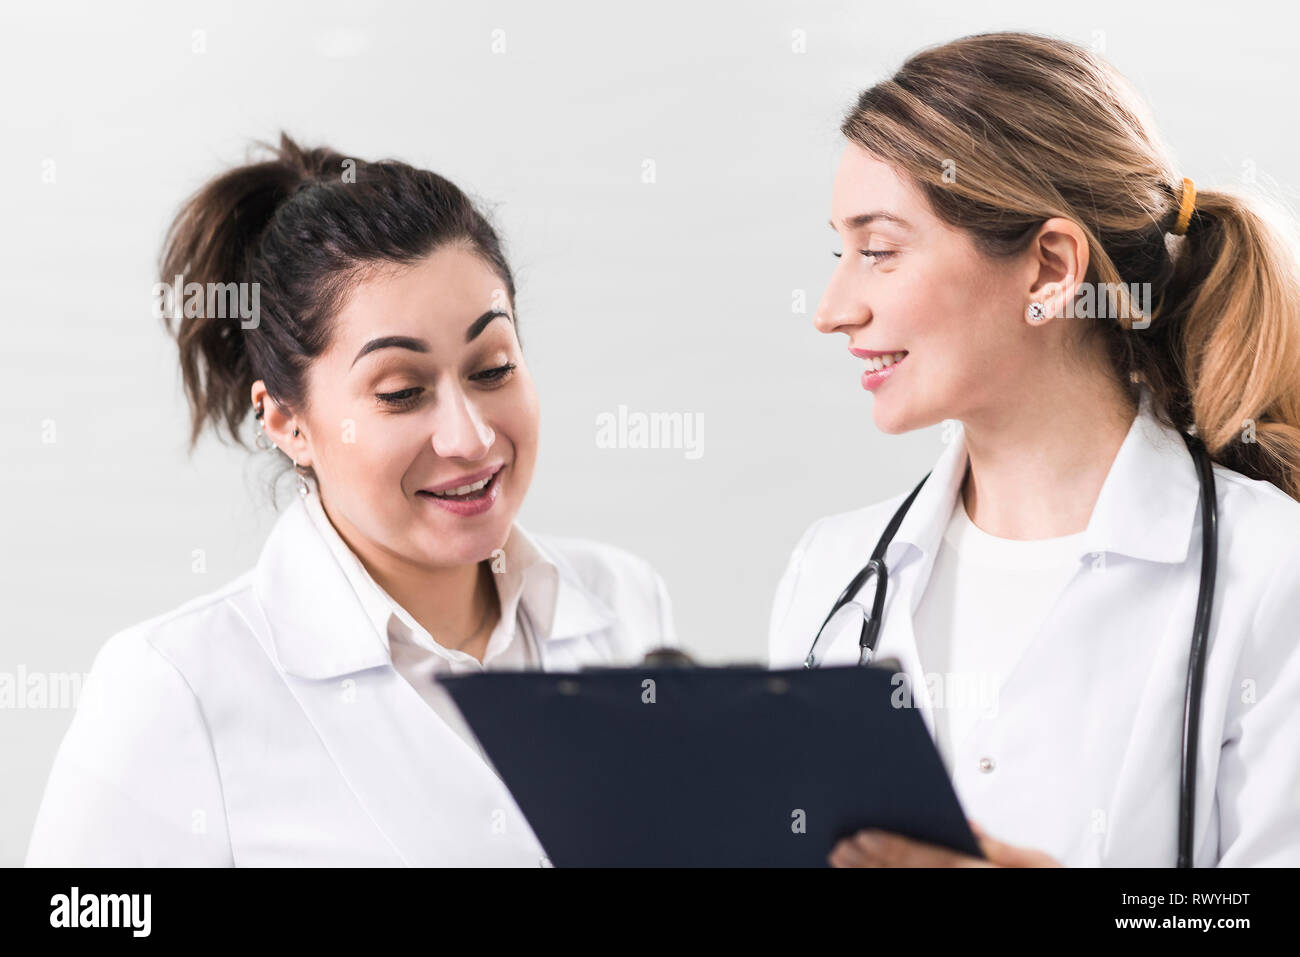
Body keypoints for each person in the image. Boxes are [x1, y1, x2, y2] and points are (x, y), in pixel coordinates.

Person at [26, 134, 676, 867]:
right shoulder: (177, 688)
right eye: (402, 392)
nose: (468, 436)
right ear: (287, 422)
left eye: (493, 368)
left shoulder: (625, 605)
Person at [769, 32, 1300, 867]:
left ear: (1051, 268)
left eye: (877, 251)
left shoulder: (1270, 573)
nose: (832, 308)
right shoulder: (827, 575)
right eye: (841, 253)